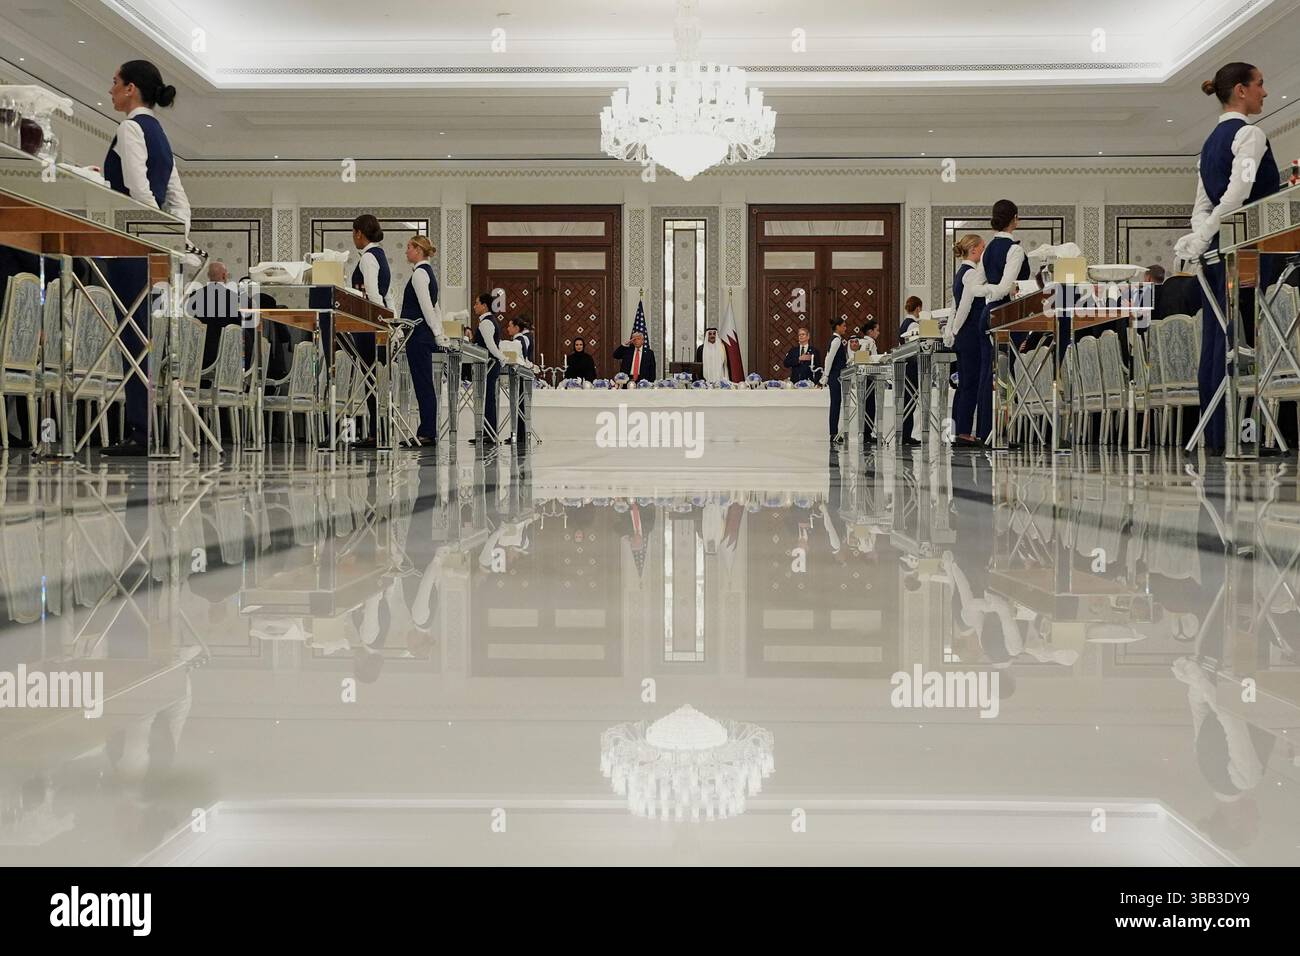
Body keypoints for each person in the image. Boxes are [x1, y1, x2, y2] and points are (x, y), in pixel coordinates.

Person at [1174, 62, 1282, 455]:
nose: (1264, 93)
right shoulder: (1249, 135)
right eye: (1260, 84)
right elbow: (1239, 192)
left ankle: (1221, 435)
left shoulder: (1207, 148)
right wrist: (1203, 235)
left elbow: (1202, 206)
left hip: (1219, 254)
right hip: (1249, 252)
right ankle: (1244, 437)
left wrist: (1202, 236)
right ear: (1240, 90)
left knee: (1219, 338)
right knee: (1245, 339)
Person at [100, 60, 192, 457]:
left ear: (131, 88)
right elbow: (179, 201)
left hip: (130, 247)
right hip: (153, 252)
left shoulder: (130, 127)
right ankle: (150, 426)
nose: (110, 90)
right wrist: (176, 242)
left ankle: (142, 430)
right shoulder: (160, 135)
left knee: (133, 338)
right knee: (144, 338)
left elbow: (140, 194)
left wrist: (154, 238)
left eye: (114, 82)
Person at [347, 213, 390, 448]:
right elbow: (386, 294)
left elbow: (373, 295)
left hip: (368, 325)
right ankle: (378, 430)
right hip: (376, 325)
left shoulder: (368, 258)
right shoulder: (380, 255)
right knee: (375, 377)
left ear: (359, 233)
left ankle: (375, 432)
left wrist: (380, 320)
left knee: (370, 377)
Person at [398, 235, 442, 448]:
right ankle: (427, 430)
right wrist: (438, 332)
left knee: (423, 384)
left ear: (418, 249)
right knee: (424, 383)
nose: (406, 252)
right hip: (424, 334)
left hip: (418, 335)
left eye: (408, 247)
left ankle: (427, 431)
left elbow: (427, 307)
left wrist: (436, 331)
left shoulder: (419, 274)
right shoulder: (429, 274)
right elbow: (435, 306)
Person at [944, 234, 987, 447]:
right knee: (970, 384)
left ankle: (956, 430)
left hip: (962, 336)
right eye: (982, 248)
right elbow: (964, 307)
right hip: (970, 335)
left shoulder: (959, 273)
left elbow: (954, 306)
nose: (984, 252)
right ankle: (963, 432)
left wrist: (951, 332)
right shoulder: (971, 274)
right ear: (974, 250)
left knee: (963, 385)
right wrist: (956, 330)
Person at [186, 260, 240, 371]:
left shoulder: (195, 295)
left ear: (208, 276)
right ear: (224, 275)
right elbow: (238, 325)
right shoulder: (232, 297)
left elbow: (189, 320)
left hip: (198, 353)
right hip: (224, 354)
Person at [896, 297, 923, 446]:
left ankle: (905, 434)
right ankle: (906, 435)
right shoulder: (913, 324)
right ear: (918, 308)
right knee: (910, 401)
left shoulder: (904, 323)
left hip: (905, 364)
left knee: (907, 400)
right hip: (911, 365)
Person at [819, 316, 848, 441]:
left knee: (836, 403)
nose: (845, 328)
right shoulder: (836, 340)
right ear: (838, 327)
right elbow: (829, 358)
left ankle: (834, 432)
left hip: (835, 374)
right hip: (835, 375)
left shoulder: (836, 340)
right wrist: (826, 375)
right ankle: (833, 433)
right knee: (835, 403)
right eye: (844, 326)